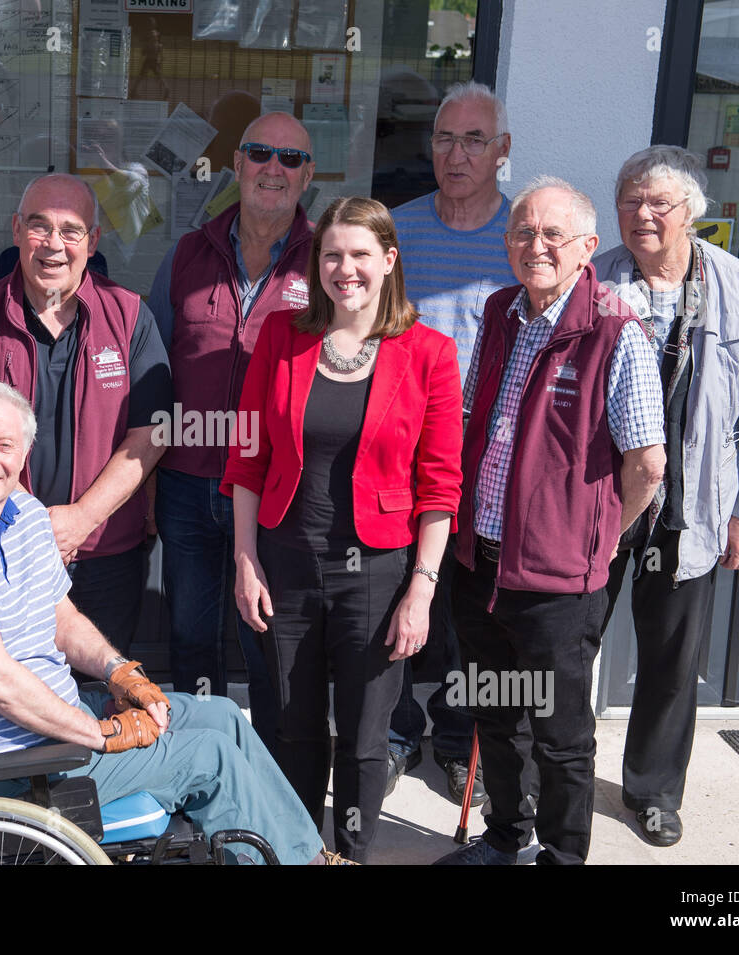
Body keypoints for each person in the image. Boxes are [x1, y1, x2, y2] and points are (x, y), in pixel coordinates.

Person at [0, 378, 347, 865]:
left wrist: (120, 671)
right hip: (11, 762)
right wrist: (99, 733)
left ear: (24, 453)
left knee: (223, 717)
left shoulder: (23, 511)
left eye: (3, 444)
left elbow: (60, 618)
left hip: (57, 720)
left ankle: (306, 855)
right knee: (210, 758)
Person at [222, 197, 463, 862]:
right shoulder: (281, 335)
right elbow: (246, 454)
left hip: (381, 574)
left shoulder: (429, 353)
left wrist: (421, 588)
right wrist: (245, 558)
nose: (346, 268)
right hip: (284, 563)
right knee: (291, 726)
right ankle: (300, 848)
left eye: (361, 254)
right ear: (316, 262)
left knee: (363, 733)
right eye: (333, 254)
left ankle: (352, 850)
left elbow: (440, 485)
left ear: (389, 260)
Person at [436, 177, 666, 865]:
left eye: (552, 235)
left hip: (558, 584)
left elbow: (647, 467)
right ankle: (505, 836)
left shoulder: (616, 332)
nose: (535, 245)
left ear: (588, 247)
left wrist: (594, 537)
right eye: (523, 233)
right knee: (495, 716)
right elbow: (475, 415)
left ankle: (563, 856)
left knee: (561, 734)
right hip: (480, 565)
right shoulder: (502, 310)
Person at [593, 145, 739, 847]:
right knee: (561, 644)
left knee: (673, 665)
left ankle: (652, 792)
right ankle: (540, 771)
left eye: (658, 203)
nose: (641, 215)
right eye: (629, 201)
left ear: (691, 214)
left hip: (694, 511)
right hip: (602, 506)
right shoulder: (593, 283)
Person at [0, 174, 171, 661]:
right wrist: (38, 526)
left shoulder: (130, 316)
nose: (53, 245)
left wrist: (80, 521)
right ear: (15, 229)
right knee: (13, 693)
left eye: (71, 231)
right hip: (3, 552)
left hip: (109, 553)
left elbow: (150, 434)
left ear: (93, 241)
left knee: (102, 692)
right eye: (39, 226)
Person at [147, 112, 316, 747]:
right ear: (238, 165)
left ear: (307, 177)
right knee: (190, 634)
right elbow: (155, 369)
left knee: (269, 637)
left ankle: (272, 766)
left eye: (290, 159)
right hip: (187, 485)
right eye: (260, 153)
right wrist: (143, 486)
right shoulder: (189, 253)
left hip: (275, 492)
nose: (274, 168)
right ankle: (199, 756)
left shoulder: (325, 260)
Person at [387, 80, 517, 802]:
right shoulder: (397, 231)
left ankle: (455, 730)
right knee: (397, 596)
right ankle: (397, 727)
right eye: (444, 138)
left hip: (489, 462)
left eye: (474, 140)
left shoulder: (522, 238)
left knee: (473, 609)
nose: (456, 153)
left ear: (502, 151)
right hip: (400, 455)